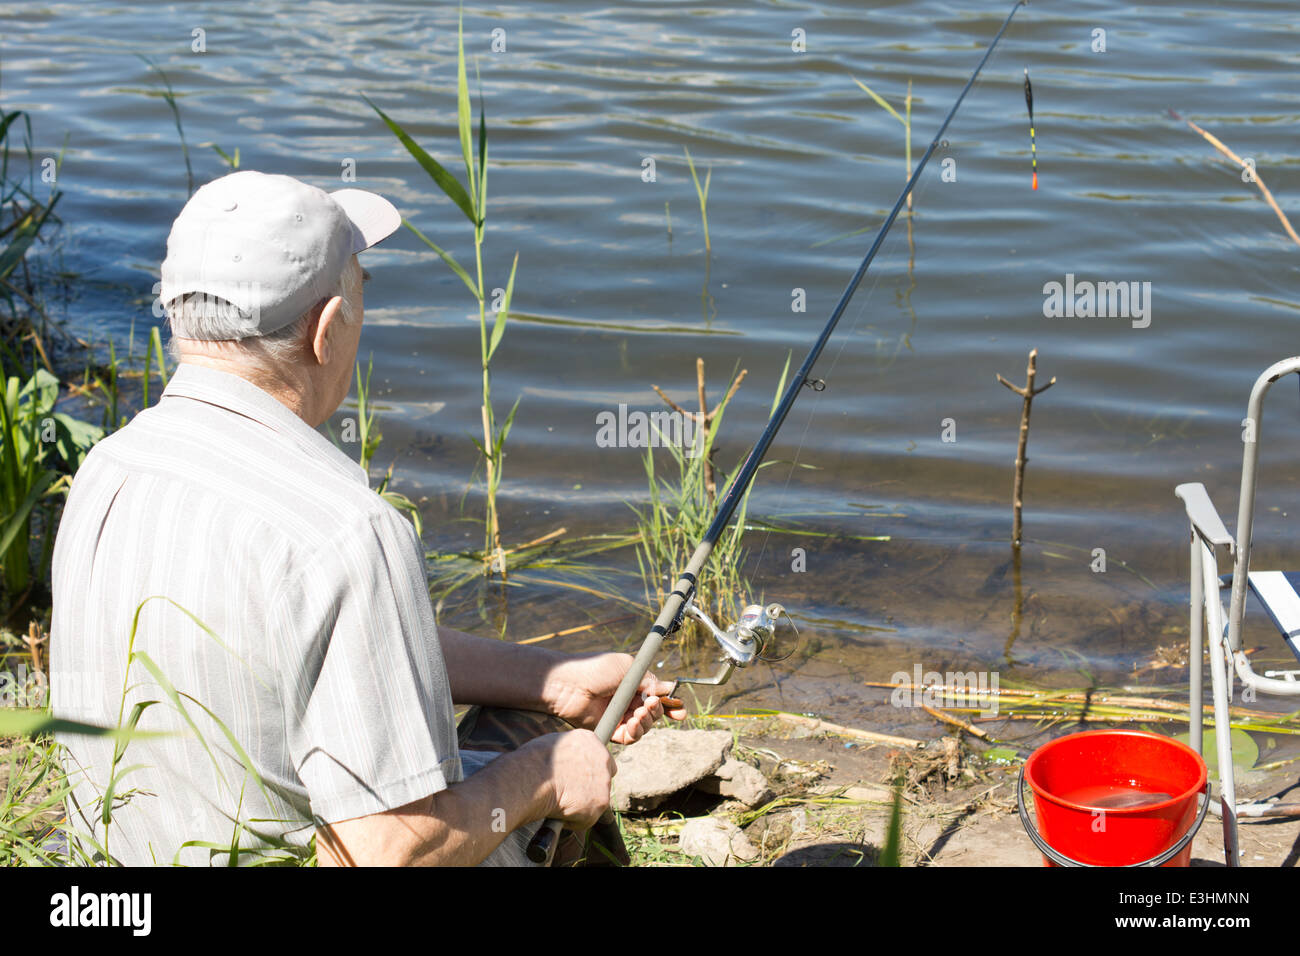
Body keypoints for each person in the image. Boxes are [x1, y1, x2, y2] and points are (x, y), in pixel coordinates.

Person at [50, 170, 684, 866]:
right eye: (361, 294)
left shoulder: (108, 469)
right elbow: (386, 855)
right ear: (326, 331)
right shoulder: (347, 528)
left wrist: (553, 678)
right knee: (544, 760)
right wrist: (543, 775)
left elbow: (310, 650)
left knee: (535, 715)